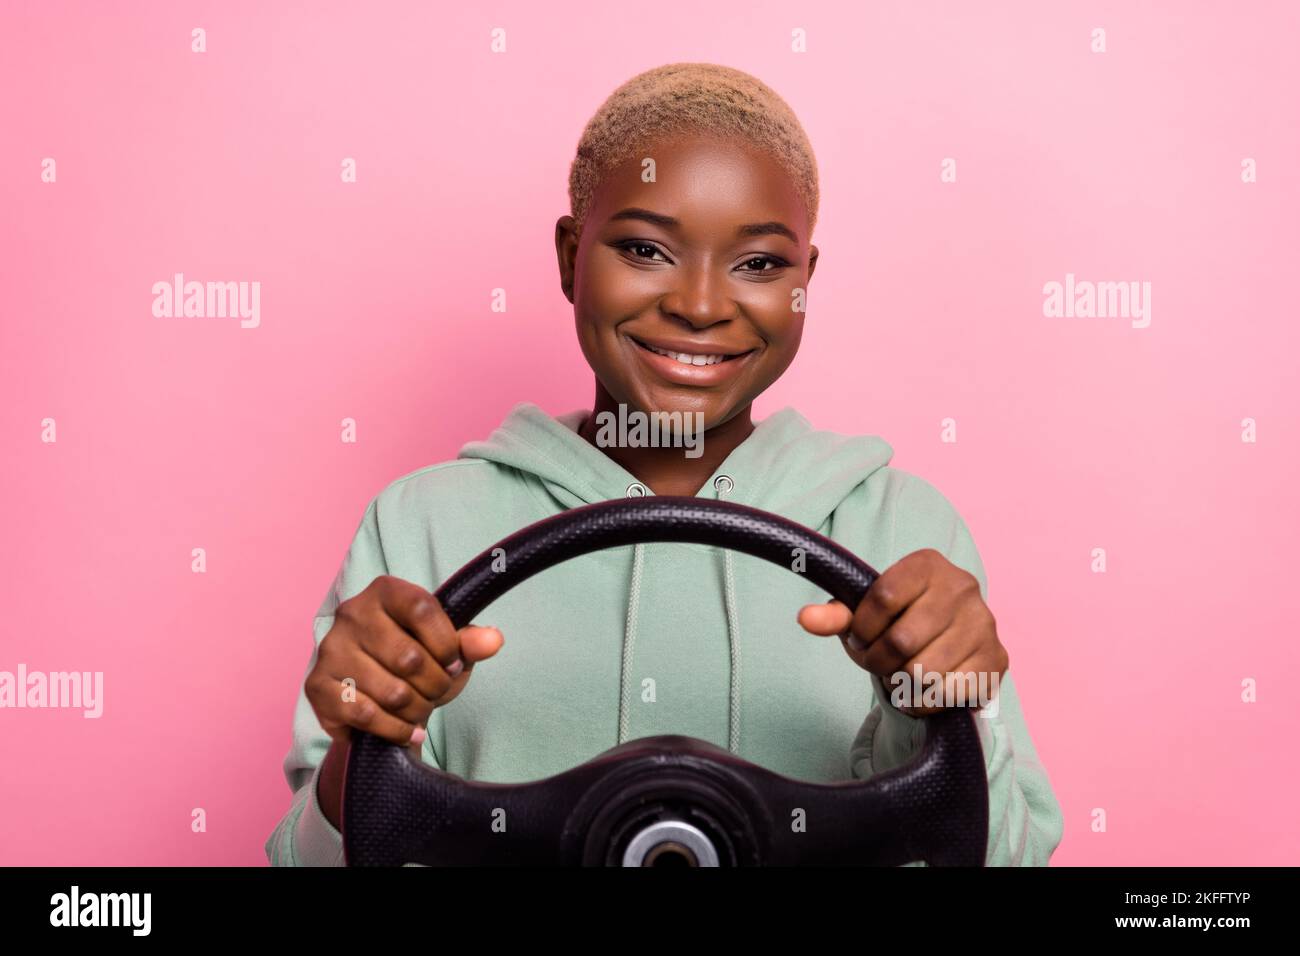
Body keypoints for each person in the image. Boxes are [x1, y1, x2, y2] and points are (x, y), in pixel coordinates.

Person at [265, 62, 1065, 866]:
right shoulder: (420, 527)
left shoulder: (903, 533)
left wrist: (932, 705)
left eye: (759, 264)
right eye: (646, 249)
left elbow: (1010, 857)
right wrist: (360, 743)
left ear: (804, 284)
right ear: (571, 255)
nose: (701, 304)